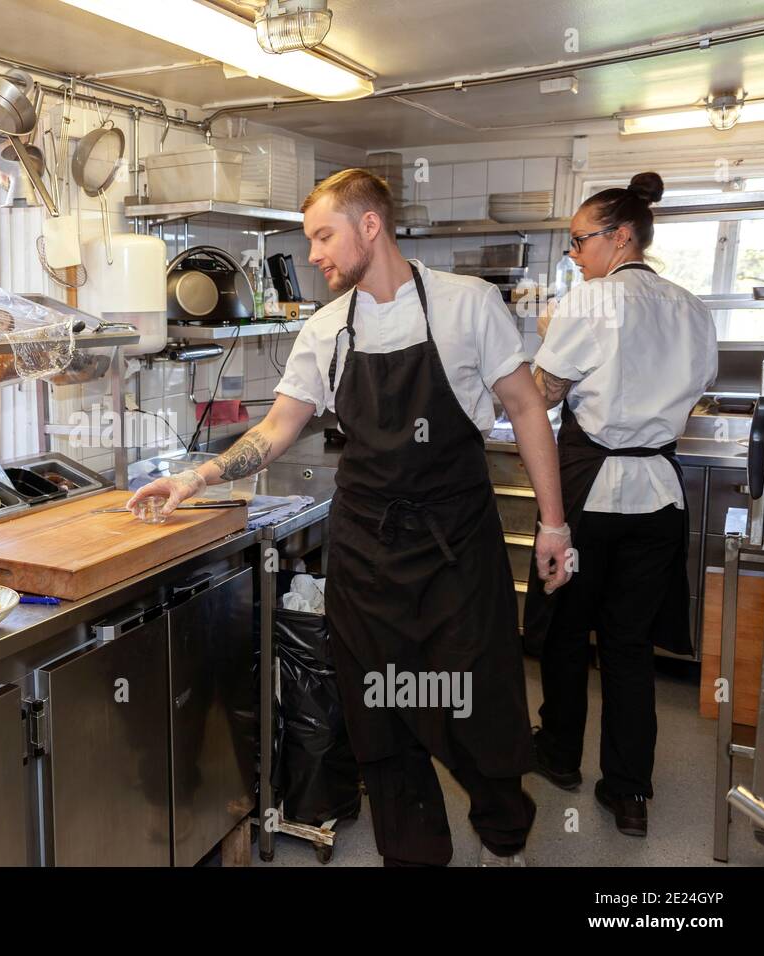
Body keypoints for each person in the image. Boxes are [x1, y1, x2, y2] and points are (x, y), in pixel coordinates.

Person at [129, 168, 572, 866]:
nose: (313, 256)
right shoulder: (327, 328)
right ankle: (413, 857)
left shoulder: (466, 305)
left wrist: (553, 523)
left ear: (371, 226)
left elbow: (524, 408)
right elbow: (276, 428)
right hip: (366, 549)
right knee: (380, 721)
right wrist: (199, 474)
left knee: (477, 705)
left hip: (457, 544)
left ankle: (504, 838)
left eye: (323, 236)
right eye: (309, 241)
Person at [526, 172, 718, 838]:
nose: (574, 255)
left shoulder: (591, 301)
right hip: (660, 495)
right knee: (630, 646)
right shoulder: (692, 306)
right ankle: (629, 792)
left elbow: (543, 393)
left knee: (565, 629)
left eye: (580, 241)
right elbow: (692, 390)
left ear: (621, 235)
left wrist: (513, 380)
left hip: (591, 490)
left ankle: (557, 757)